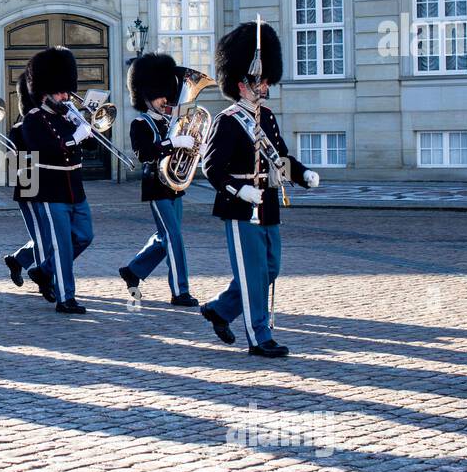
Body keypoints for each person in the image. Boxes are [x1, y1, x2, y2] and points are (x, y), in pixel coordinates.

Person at [199, 20, 319, 358]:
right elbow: (212, 168)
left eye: (265, 81)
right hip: (241, 208)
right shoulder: (227, 120)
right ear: (241, 84)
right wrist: (239, 192)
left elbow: (279, 157)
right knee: (253, 273)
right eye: (259, 81)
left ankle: (221, 310)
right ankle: (259, 337)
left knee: (269, 269)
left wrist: (302, 173)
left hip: (268, 203)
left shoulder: (265, 117)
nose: (264, 87)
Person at [119, 52, 199, 306]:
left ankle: (133, 270)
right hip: (156, 185)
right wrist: (171, 142)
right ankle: (180, 291)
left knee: (165, 236)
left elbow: (182, 149)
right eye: (160, 94)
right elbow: (144, 154)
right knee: (174, 238)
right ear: (146, 95)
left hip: (175, 185)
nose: (166, 99)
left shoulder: (170, 121)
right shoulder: (139, 124)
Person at [22, 46, 95, 315]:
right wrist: (75, 136)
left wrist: (86, 128)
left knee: (85, 236)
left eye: (66, 90)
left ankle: (44, 270)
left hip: (75, 188)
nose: (66, 96)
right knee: (62, 245)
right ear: (45, 91)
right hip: (51, 190)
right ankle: (66, 298)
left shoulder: (67, 117)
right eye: (61, 91)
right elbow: (48, 148)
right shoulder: (34, 119)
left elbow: (88, 148)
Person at [1, 72, 54, 301]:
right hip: (30, 185)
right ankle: (46, 284)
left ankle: (19, 259)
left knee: (50, 235)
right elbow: (14, 161)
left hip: (50, 184)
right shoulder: (20, 127)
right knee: (42, 236)